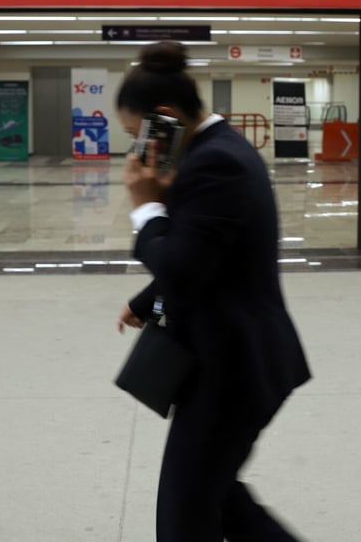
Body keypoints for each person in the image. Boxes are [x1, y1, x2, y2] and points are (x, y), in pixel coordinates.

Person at [115, 41, 312, 542]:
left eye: (136, 135)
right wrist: (145, 302)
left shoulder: (214, 164)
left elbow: (182, 266)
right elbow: (207, 251)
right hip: (233, 359)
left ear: (163, 118)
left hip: (233, 371)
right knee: (219, 499)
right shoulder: (212, 153)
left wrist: (145, 206)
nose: (135, 151)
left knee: (184, 519)